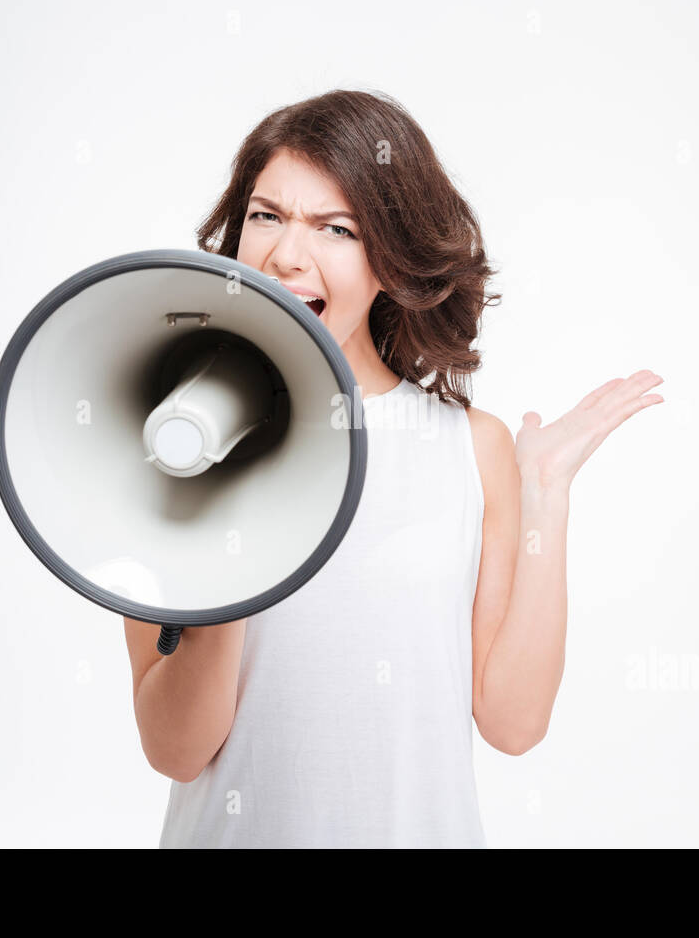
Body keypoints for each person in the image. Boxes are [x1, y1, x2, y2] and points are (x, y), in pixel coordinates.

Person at [123, 89, 664, 847]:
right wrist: (234, 522)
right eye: (266, 215)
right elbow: (175, 749)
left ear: (390, 257)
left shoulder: (470, 448)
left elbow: (513, 722)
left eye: (335, 228)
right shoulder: (171, 442)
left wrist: (542, 495)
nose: (285, 255)